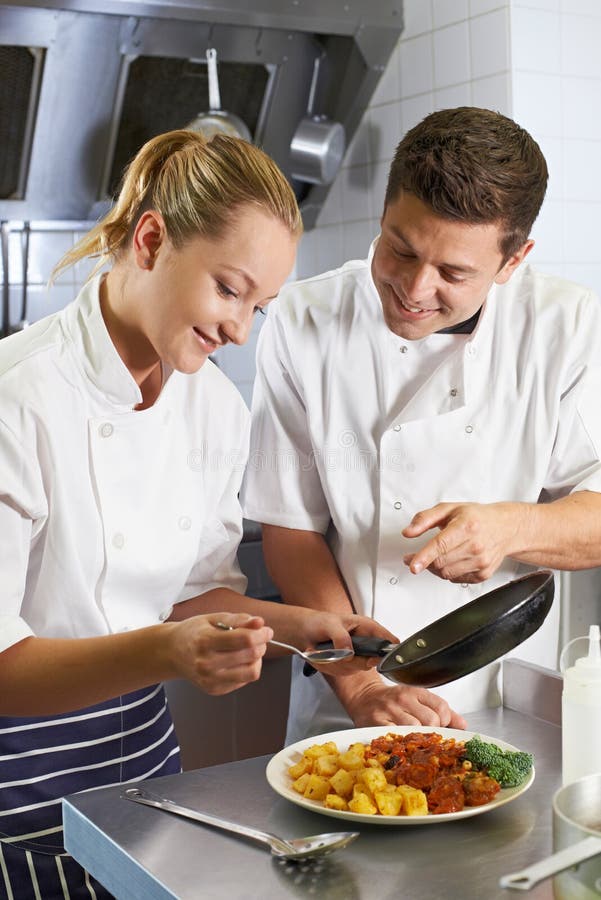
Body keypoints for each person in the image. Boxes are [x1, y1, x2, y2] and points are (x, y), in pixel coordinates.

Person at [0, 130, 392, 898]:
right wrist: (170, 652)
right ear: (150, 239)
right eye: (228, 289)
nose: (240, 329)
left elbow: (192, 596)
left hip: (144, 753)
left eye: (260, 305)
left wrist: (307, 630)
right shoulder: (18, 397)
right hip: (17, 766)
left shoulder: (211, 402)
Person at [241, 106, 601, 745]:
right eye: (399, 248)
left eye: (454, 273)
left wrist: (511, 526)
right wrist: (362, 684)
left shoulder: (566, 329)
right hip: (346, 695)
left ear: (513, 261)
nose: (412, 287)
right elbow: (290, 527)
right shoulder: (305, 320)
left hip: (505, 701)